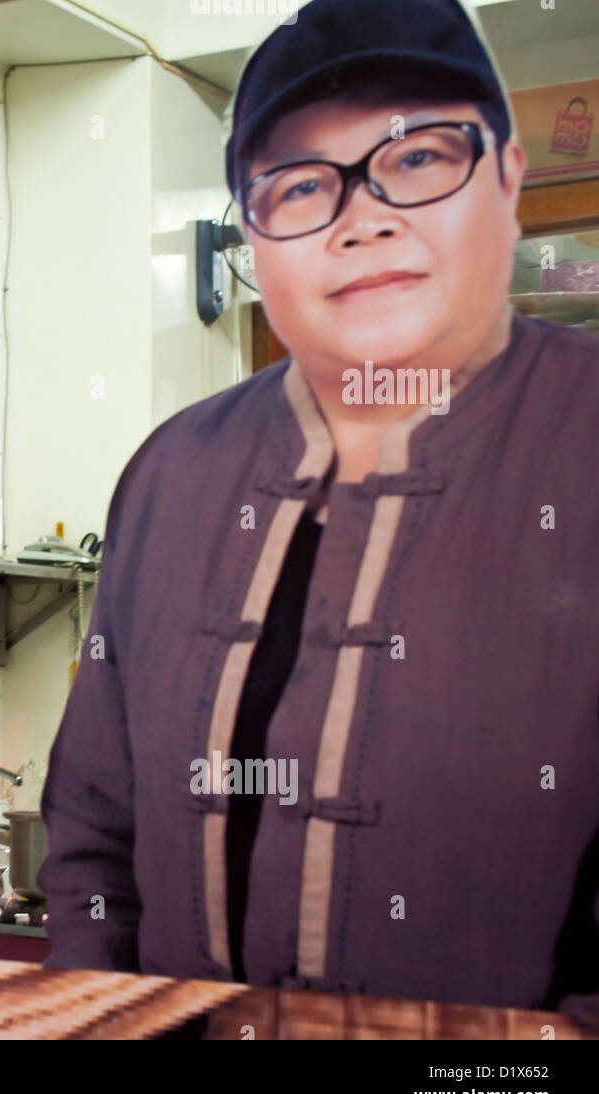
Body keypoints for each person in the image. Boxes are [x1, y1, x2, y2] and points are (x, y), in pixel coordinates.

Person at [39, 0, 599, 1016]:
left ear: (509, 179)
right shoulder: (174, 471)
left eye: (420, 158)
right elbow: (92, 832)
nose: (361, 217)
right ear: (254, 239)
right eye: (300, 185)